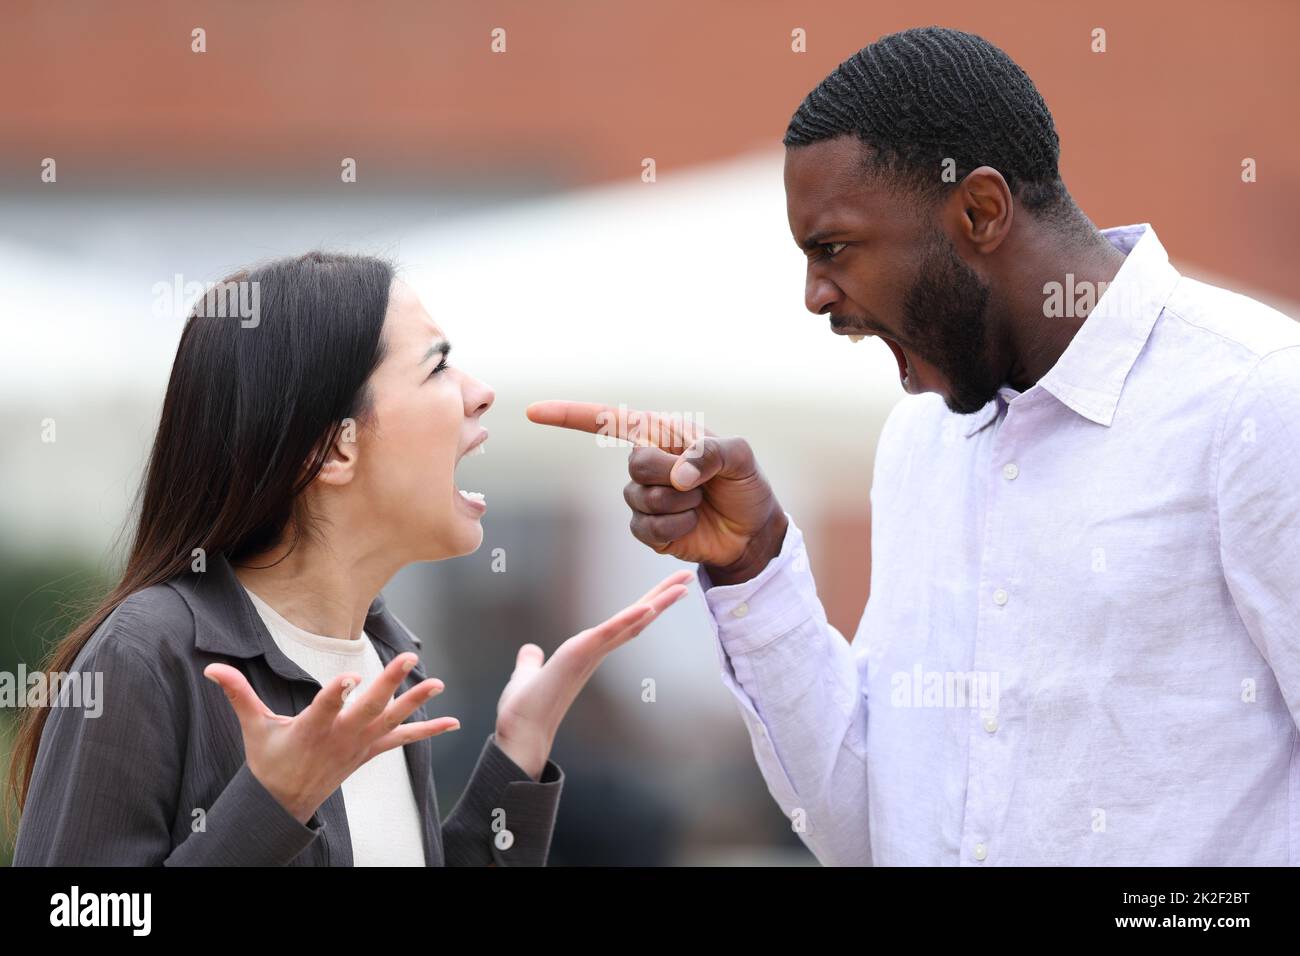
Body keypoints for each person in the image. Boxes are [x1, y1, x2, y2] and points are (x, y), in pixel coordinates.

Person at [526, 26, 1300, 865]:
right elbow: (868, 826)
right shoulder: (919, 441)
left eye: (834, 249)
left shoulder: (1254, 401)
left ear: (980, 211)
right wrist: (754, 566)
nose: (817, 296)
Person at [7, 251, 689, 866]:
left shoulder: (386, 658)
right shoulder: (148, 654)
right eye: (438, 366)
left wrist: (519, 748)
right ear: (332, 450)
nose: (479, 392)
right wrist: (269, 807)